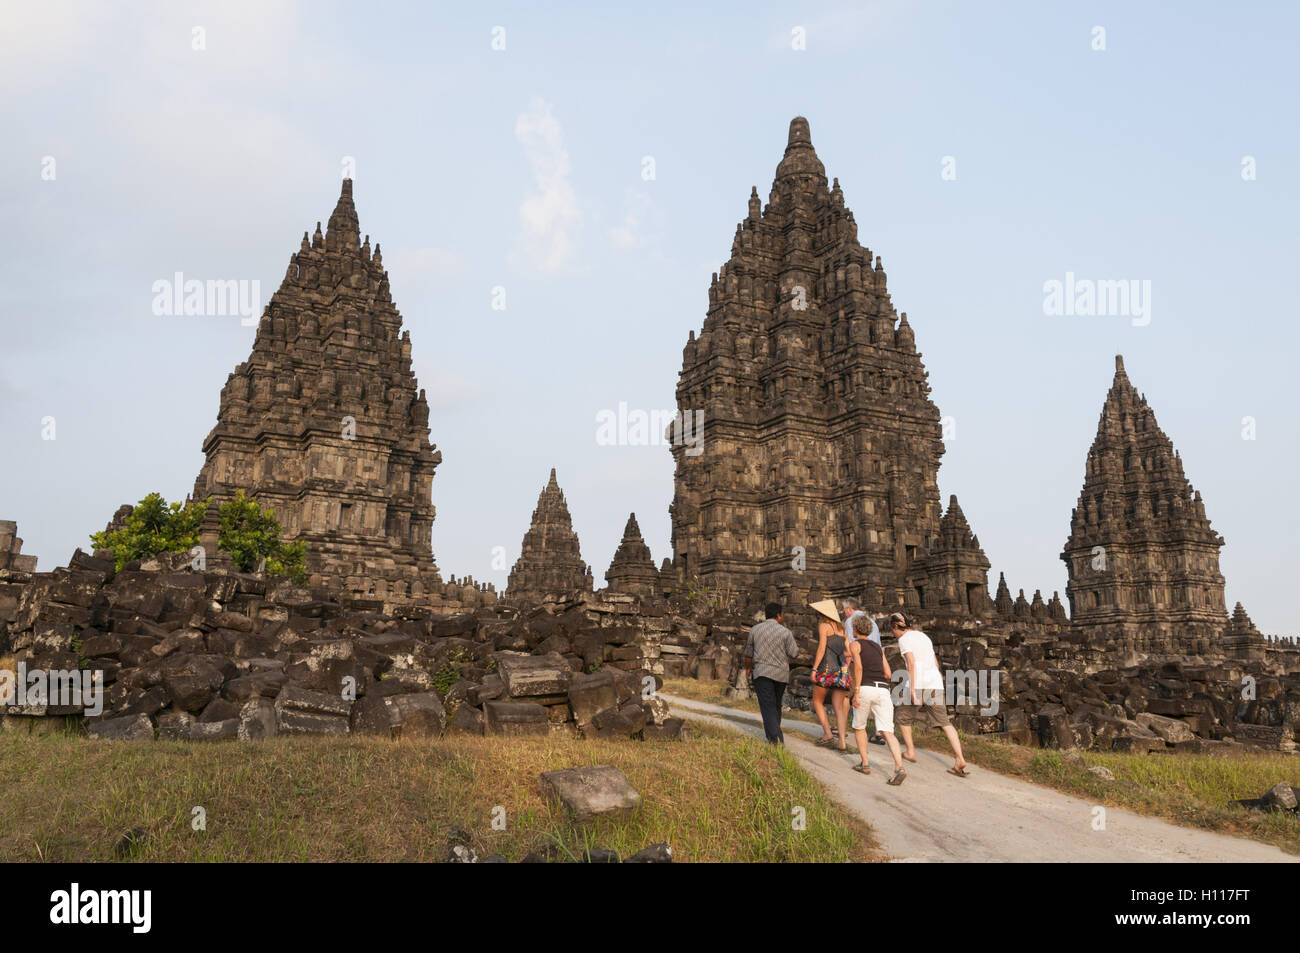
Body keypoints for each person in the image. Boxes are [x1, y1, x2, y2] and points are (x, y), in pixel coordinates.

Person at [887, 611, 970, 777]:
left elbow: (911, 663)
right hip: (935, 684)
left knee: (902, 717)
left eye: (892, 629)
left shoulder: (904, 640)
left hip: (918, 684)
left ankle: (910, 751)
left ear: (895, 626)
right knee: (945, 722)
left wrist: (911, 689)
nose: (892, 633)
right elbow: (936, 663)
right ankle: (960, 758)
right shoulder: (924, 637)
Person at [848, 617, 907, 785]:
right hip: (882, 689)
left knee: (860, 727)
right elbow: (888, 673)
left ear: (855, 630)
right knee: (888, 731)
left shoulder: (855, 644)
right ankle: (899, 767)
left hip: (865, 687)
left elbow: (858, 667)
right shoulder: (877, 648)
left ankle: (865, 764)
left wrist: (856, 691)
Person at [743, 602, 800, 744]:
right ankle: (774, 737)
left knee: (767, 706)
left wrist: (748, 668)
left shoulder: (755, 630)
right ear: (779, 615)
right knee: (775, 705)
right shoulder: (785, 632)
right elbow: (794, 653)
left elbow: (748, 654)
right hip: (781, 674)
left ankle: (775, 738)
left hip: (762, 673)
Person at [808, 599, 851, 752]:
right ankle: (842, 741)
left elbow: (821, 649)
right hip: (841, 671)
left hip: (826, 669)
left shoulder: (824, 626)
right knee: (838, 707)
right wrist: (846, 671)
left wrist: (814, 669)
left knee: (817, 701)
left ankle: (827, 734)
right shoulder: (843, 629)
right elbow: (848, 652)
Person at [842, 598, 884, 744]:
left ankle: (843, 728)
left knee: (847, 694)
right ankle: (879, 731)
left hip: (857, 660)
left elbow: (850, 645)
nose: (844, 614)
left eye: (844, 611)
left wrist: (846, 667)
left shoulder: (851, 621)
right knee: (875, 696)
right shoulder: (872, 622)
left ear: (849, 609)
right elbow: (878, 644)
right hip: (874, 661)